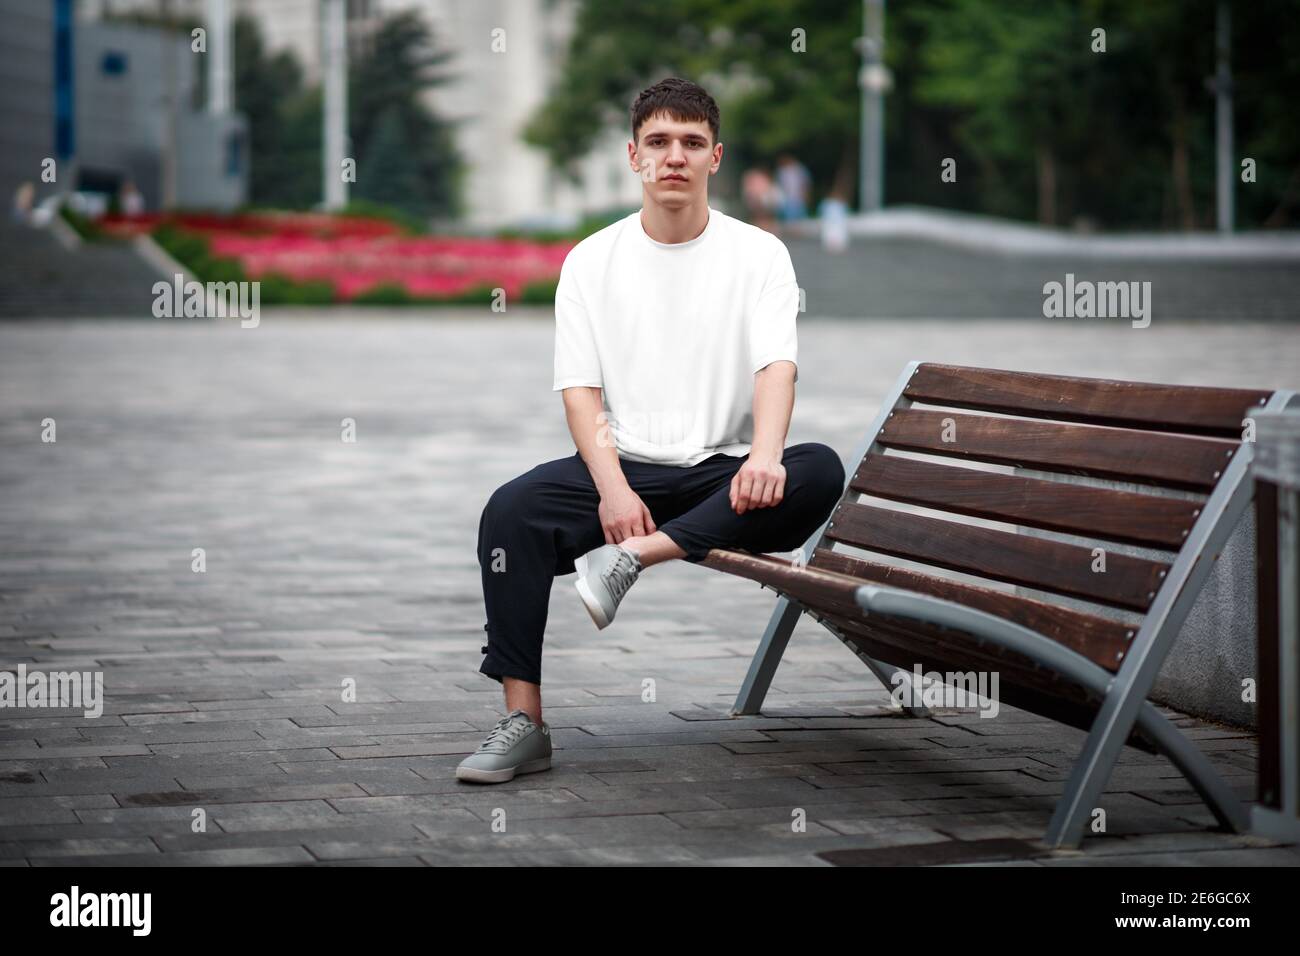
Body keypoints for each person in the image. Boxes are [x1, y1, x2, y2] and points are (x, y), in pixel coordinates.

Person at [457, 77, 846, 784]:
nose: (675, 157)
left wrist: (763, 453)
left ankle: (635, 558)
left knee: (817, 467)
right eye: (660, 142)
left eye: (692, 143)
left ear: (716, 157)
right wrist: (610, 488)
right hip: (625, 466)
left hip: (722, 476)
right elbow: (581, 392)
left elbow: (776, 369)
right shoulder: (590, 261)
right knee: (510, 513)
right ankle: (523, 724)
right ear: (633, 155)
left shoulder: (759, 256)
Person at [775, 153, 812, 222]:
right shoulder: (781, 171)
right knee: (789, 221)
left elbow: (805, 184)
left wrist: (806, 196)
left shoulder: (800, 169)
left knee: (802, 220)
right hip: (787, 200)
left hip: (799, 199)